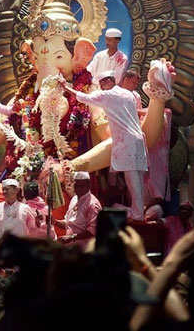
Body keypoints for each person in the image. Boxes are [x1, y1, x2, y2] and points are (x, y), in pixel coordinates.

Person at [61, 70, 148, 220]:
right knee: (138, 176)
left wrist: (65, 86)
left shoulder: (108, 95)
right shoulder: (128, 94)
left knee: (131, 176)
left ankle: (138, 213)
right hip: (139, 139)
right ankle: (138, 208)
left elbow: (83, 98)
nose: (101, 88)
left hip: (126, 140)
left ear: (108, 82)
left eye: (102, 85)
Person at [55, 172, 102, 245]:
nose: (78, 189)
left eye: (81, 186)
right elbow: (67, 223)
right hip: (72, 248)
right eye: (76, 186)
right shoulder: (74, 199)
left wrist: (72, 237)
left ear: (88, 186)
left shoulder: (92, 204)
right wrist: (54, 222)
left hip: (85, 249)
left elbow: (93, 230)